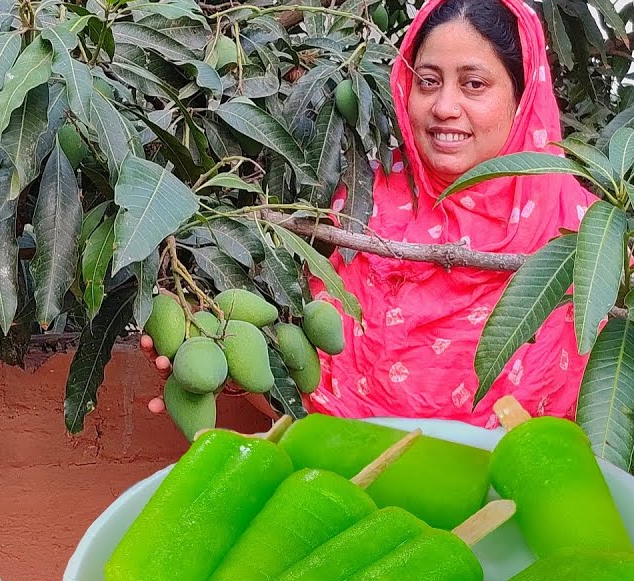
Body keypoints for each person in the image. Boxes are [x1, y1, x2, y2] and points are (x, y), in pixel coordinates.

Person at [145, 0, 593, 428]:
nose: (444, 107)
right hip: (348, 491)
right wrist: (203, 345)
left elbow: (613, 397)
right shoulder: (351, 203)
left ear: (523, 95)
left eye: (474, 84)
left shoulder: (587, 238)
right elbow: (295, 380)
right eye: (428, 81)